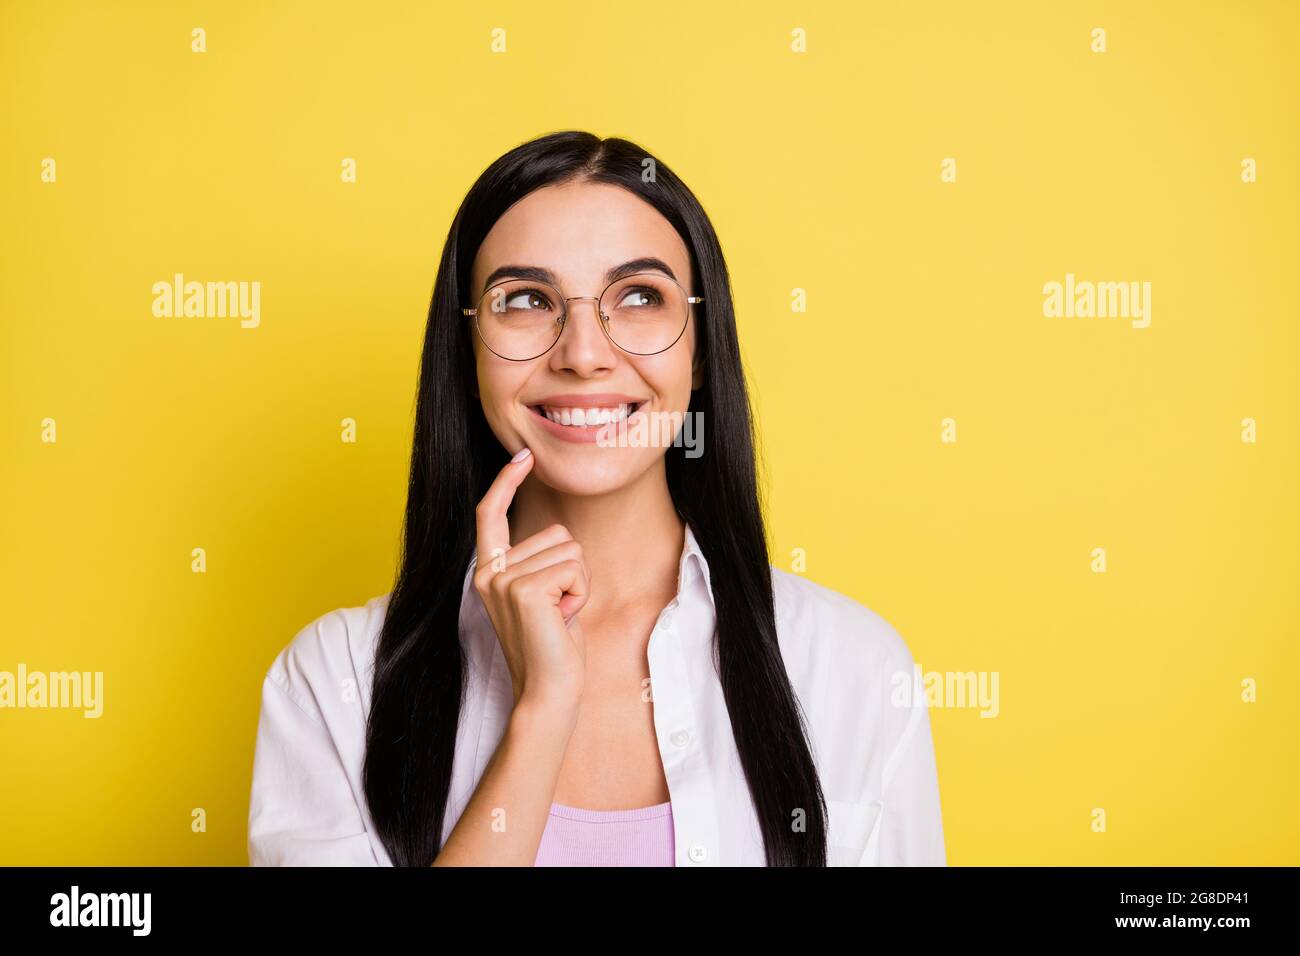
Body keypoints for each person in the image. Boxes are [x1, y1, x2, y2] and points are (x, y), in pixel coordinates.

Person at [247, 130, 946, 867]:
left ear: (701, 346)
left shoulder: (854, 670)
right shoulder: (335, 684)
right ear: (469, 350)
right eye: (525, 300)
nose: (583, 353)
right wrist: (543, 712)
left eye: (640, 296)